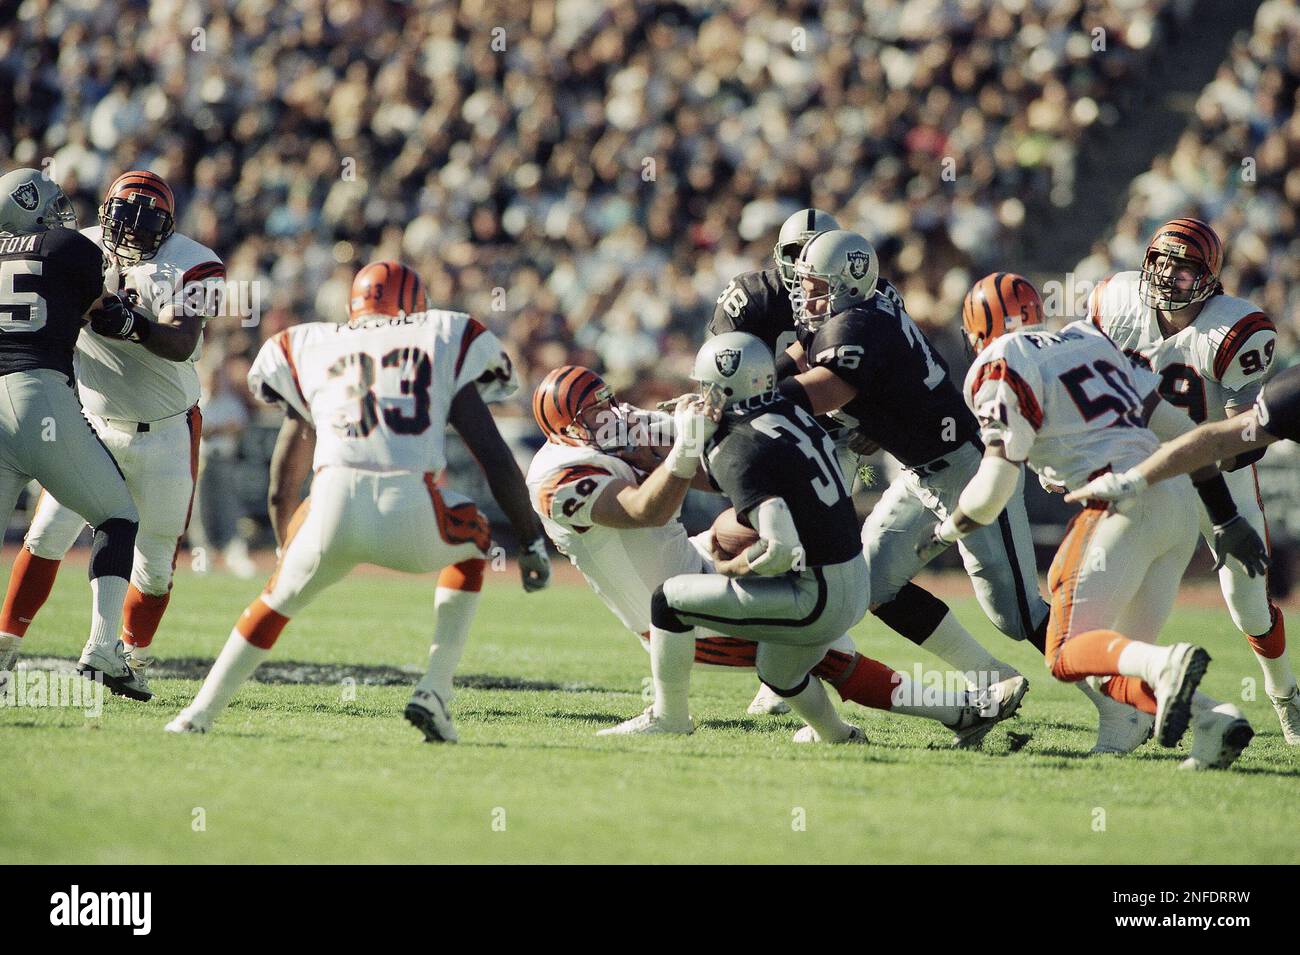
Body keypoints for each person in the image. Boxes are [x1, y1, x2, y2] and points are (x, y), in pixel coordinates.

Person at [165, 261, 551, 740]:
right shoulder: (442, 334)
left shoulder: (312, 344)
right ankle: (434, 689)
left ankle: (196, 715)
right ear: (415, 307)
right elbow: (493, 454)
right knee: (474, 534)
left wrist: (288, 538)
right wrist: (532, 541)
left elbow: (287, 466)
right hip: (411, 509)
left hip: (332, 503)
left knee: (275, 599)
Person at [526, 365, 1011, 743]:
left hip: (695, 558)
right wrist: (684, 447)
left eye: (607, 402)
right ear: (568, 429)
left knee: (737, 546)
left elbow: (705, 463)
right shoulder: (559, 479)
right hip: (669, 620)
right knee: (827, 651)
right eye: (594, 413)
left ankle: (843, 731)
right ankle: (958, 711)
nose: (612, 415)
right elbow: (643, 511)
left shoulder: (622, 430)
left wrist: (707, 426)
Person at [916, 272, 1266, 769]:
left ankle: (1169, 665)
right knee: (1107, 658)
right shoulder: (1087, 339)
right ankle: (1216, 722)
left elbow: (993, 490)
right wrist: (1225, 516)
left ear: (976, 333)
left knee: (1065, 651)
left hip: (1118, 502)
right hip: (1174, 501)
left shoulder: (998, 361)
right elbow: (1185, 432)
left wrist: (947, 530)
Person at [649, 331, 1030, 744]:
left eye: (707, 388)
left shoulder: (738, 448)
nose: (702, 397)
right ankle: (940, 718)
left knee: (668, 601)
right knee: (779, 671)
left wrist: (730, 567)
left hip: (818, 592)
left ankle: (669, 716)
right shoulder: (789, 414)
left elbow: (780, 549)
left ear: (724, 387)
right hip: (850, 574)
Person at [778, 232, 1054, 710]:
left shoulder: (857, 329)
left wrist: (748, 399)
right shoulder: (869, 301)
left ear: (847, 286)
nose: (807, 296)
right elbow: (822, 363)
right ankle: (991, 677)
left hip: (970, 467)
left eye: (818, 286)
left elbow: (822, 392)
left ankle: (1126, 700)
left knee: (1017, 614)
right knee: (870, 584)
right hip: (921, 468)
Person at [0, 170, 225, 696]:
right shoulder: (76, 247)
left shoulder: (193, 261)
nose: (132, 233)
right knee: (46, 535)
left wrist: (135, 325)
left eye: (148, 223)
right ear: (105, 214)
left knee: (156, 565)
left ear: (168, 227)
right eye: (124, 219)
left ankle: (129, 656)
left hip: (166, 430)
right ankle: (8, 647)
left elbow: (182, 341)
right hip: (90, 421)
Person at [1090, 217, 1297, 741]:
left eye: (1183, 270)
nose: (1166, 277)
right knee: (1106, 593)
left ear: (1208, 278)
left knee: (1247, 602)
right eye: (1160, 262)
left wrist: (1211, 496)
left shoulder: (1234, 329)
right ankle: (1132, 710)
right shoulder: (1114, 301)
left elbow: (1245, 434)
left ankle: (1283, 692)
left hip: (1218, 471)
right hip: (1143, 468)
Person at [0, 167, 144, 698]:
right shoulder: (67, 248)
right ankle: (105, 650)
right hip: (37, 393)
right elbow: (98, 311)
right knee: (116, 514)